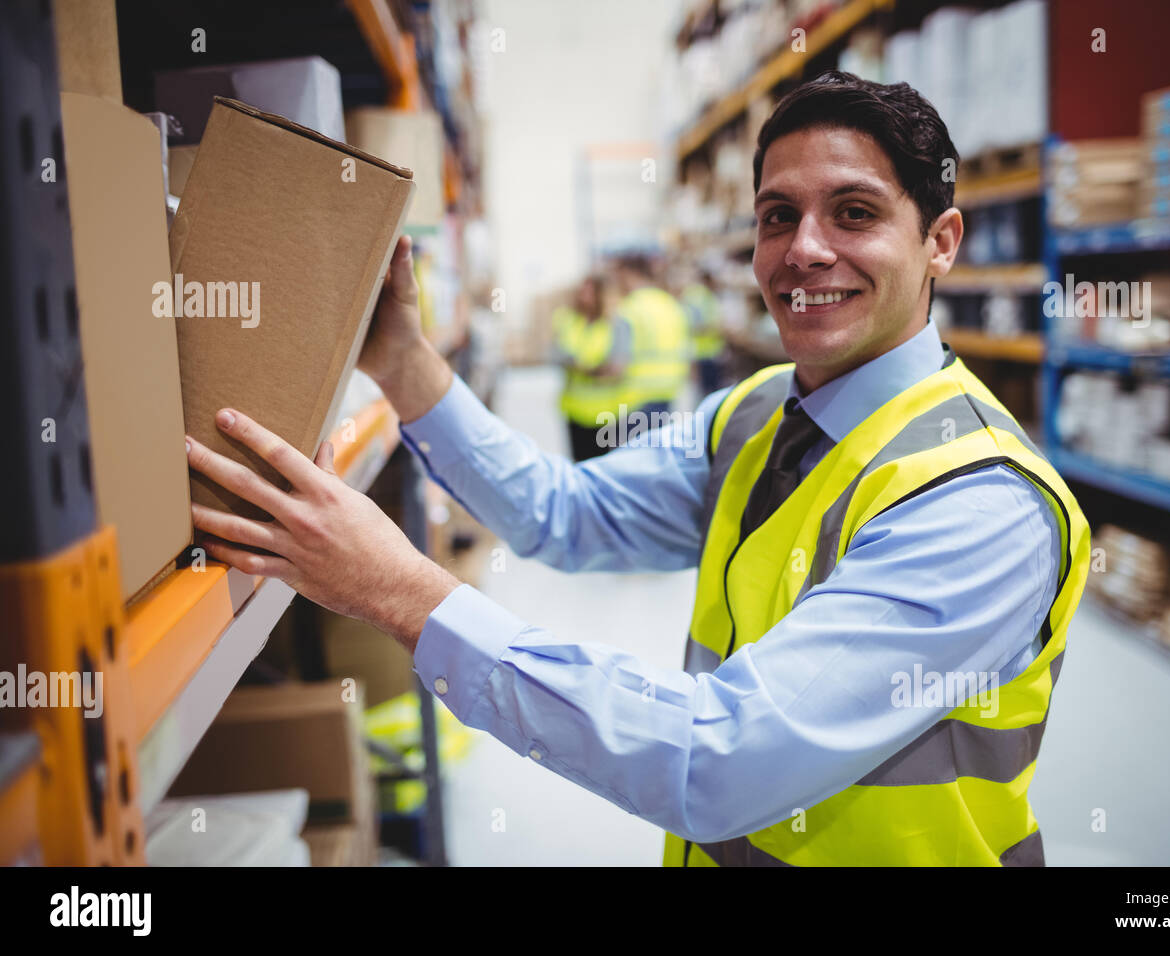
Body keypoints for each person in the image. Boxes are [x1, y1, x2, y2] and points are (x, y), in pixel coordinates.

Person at [184, 71, 1090, 866]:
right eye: (779, 216)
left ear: (941, 242)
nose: (805, 249)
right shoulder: (759, 413)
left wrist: (402, 594)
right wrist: (406, 363)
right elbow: (562, 514)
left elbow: (720, 762)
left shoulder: (978, 503)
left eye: (855, 212)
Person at [611, 253, 691, 437]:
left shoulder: (629, 308)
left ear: (628, 274)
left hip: (636, 396)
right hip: (668, 391)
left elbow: (618, 364)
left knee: (633, 460)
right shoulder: (669, 303)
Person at [550, 274, 626, 461]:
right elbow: (555, 353)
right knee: (580, 465)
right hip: (575, 410)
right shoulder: (569, 320)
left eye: (590, 291)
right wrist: (589, 368)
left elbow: (617, 367)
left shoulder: (615, 324)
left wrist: (584, 368)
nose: (584, 296)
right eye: (582, 291)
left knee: (605, 467)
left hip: (605, 412)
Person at [679, 269, 726, 396]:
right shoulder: (699, 297)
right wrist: (715, 328)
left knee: (709, 390)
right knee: (708, 391)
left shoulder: (704, 296)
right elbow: (694, 326)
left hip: (709, 352)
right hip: (703, 353)